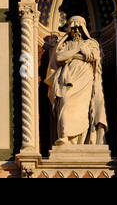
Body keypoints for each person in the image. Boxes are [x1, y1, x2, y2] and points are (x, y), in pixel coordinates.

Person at [44, 16, 108, 146]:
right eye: (73, 28)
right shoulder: (65, 44)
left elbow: (94, 56)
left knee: (83, 110)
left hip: (85, 79)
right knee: (65, 102)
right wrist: (78, 50)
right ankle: (64, 136)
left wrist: (72, 55)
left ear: (84, 29)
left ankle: (80, 142)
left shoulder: (91, 43)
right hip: (68, 79)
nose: (76, 31)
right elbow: (60, 57)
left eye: (79, 28)